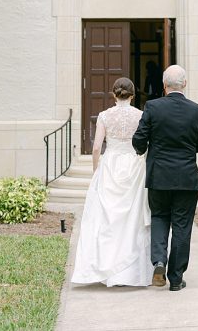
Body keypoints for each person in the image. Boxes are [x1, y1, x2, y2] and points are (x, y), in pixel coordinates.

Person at [71, 77, 152, 287]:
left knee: (106, 220)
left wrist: (96, 169)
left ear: (114, 95)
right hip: (134, 165)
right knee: (131, 220)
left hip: (111, 164)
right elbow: (146, 143)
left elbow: (97, 147)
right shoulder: (140, 115)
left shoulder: (105, 116)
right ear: (133, 95)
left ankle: (106, 268)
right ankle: (131, 272)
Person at [132, 65, 198, 292]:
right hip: (186, 177)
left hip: (159, 176)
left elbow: (139, 139)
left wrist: (142, 148)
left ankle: (158, 262)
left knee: (160, 218)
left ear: (164, 86)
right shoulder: (197, 110)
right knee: (182, 226)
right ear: (185, 84)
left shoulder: (153, 107)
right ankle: (176, 278)